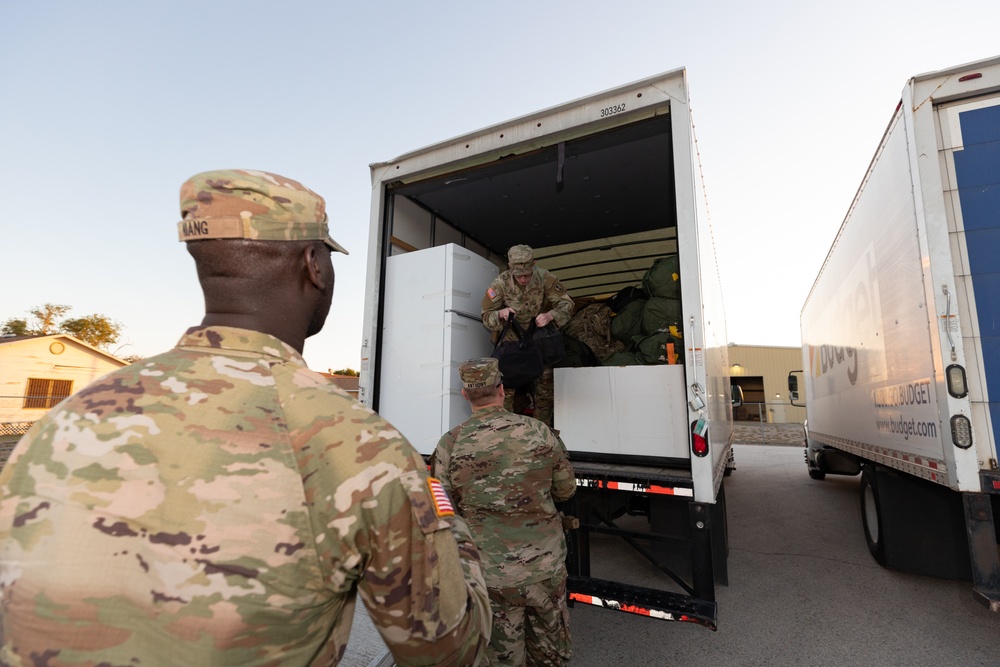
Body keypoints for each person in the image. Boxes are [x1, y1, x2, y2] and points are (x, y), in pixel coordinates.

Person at [0, 169, 490, 666]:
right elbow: (449, 651)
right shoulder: (358, 446)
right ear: (314, 265)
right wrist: (447, 523)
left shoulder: (66, 418)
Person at [432, 357, 576, 667]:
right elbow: (566, 490)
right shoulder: (540, 432)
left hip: (490, 575)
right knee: (550, 655)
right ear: (501, 389)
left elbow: (442, 511)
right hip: (545, 568)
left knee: (501, 657)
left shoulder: (449, 444)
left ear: (465, 395)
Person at [481, 244, 574, 426]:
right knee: (506, 388)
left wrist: (550, 315)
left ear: (534, 264)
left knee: (545, 388)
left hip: (538, 339)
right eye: (519, 275)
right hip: (511, 342)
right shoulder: (500, 284)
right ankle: (506, 430)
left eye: (527, 275)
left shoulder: (545, 278)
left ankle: (542, 430)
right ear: (509, 267)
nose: (523, 279)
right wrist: (500, 314)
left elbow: (567, 304)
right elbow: (486, 316)